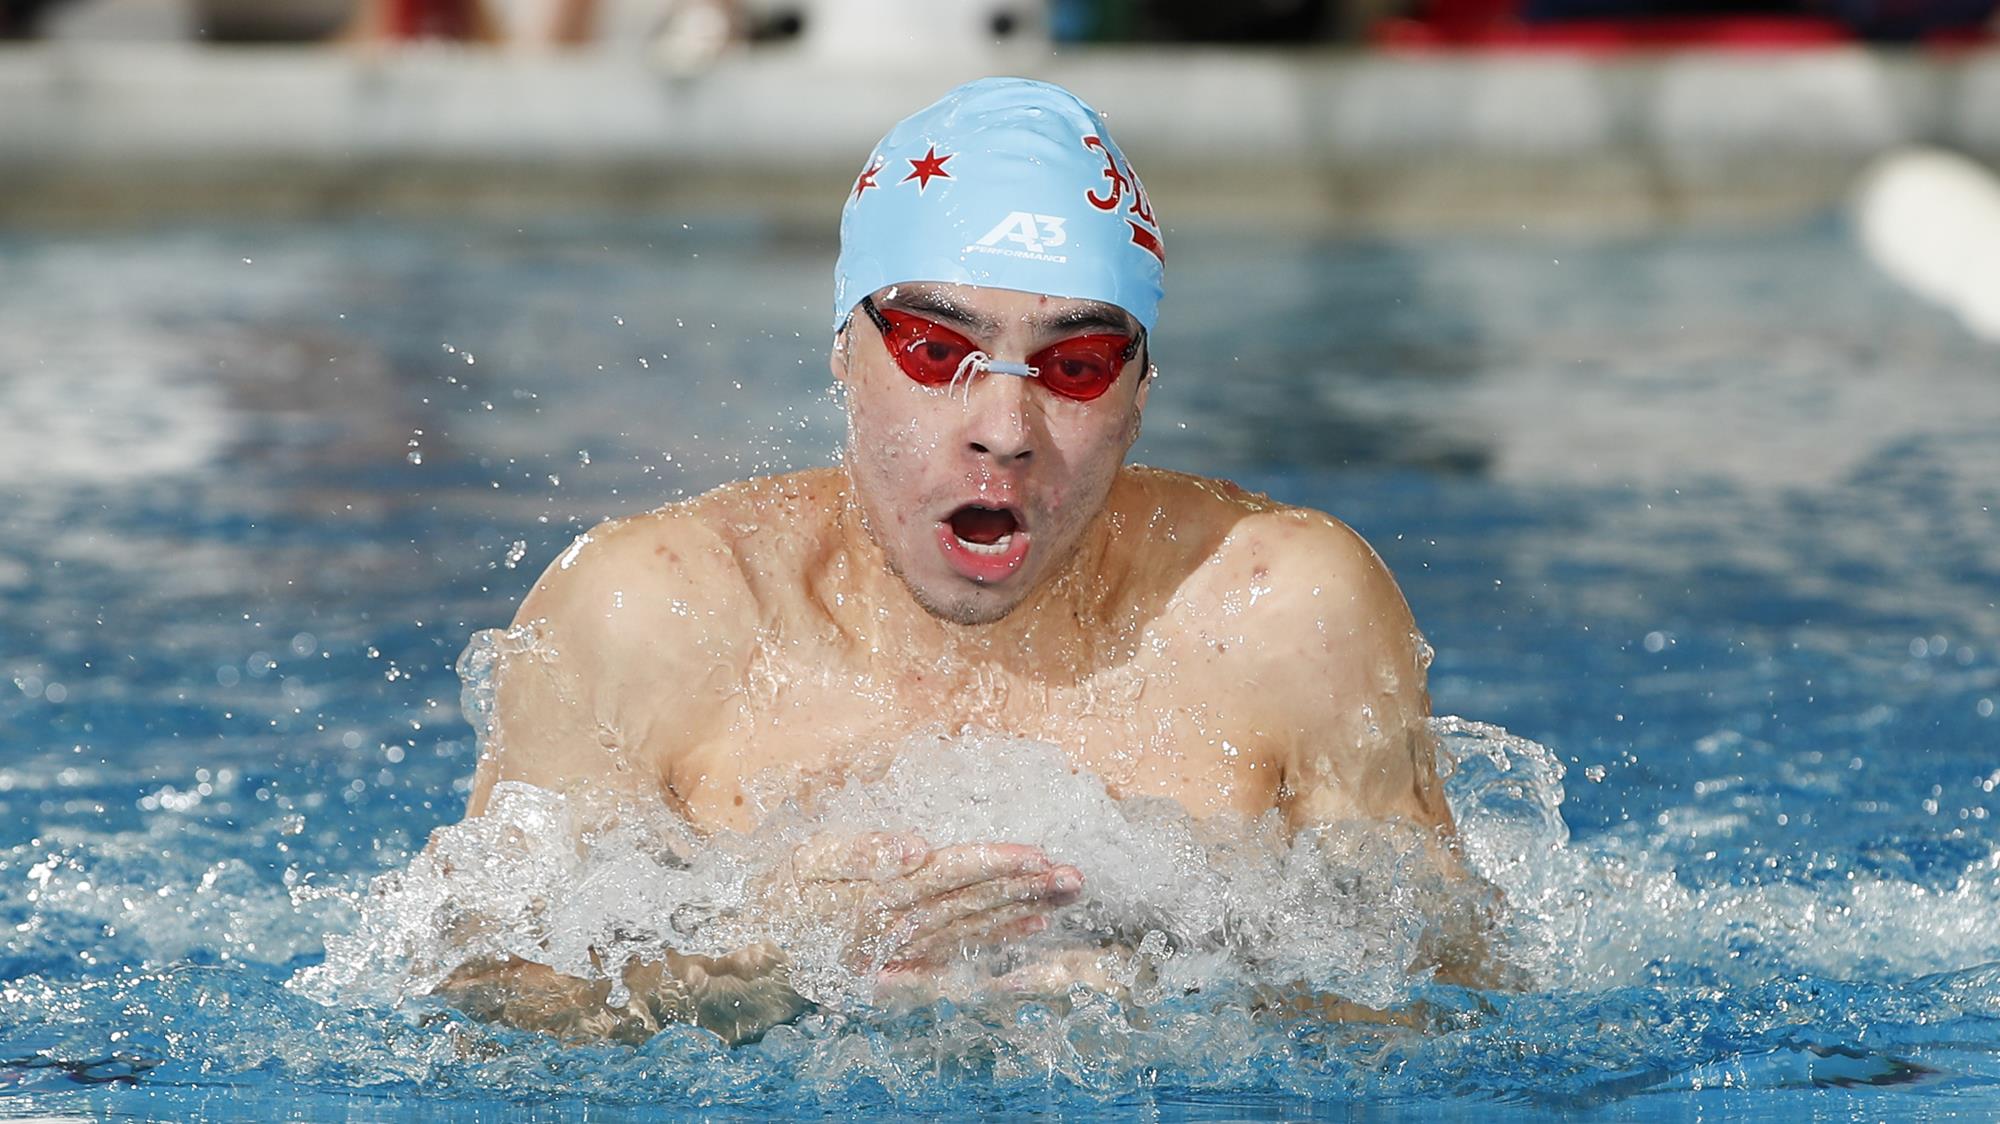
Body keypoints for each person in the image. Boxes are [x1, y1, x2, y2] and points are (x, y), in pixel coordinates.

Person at [434, 76, 1484, 1047]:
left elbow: (1448, 999)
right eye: (937, 351)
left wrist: (1183, 995)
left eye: (1073, 365)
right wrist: (739, 970)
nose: (1003, 427)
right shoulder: (654, 610)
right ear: (843, 352)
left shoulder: (1283, 612)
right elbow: (476, 998)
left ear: (1140, 395)